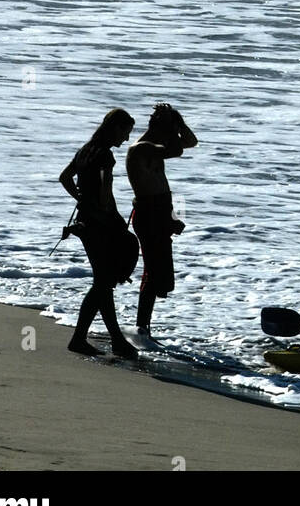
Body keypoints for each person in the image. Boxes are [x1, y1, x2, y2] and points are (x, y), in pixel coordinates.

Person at [59, 108, 139, 358]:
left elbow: (65, 178)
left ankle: (112, 339)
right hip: (101, 225)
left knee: (103, 283)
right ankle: (84, 339)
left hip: (85, 222)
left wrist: (82, 200)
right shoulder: (105, 157)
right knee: (103, 283)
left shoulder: (85, 150)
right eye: (125, 132)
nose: (126, 139)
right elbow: (105, 194)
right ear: (115, 128)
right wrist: (107, 212)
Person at [126, 103, 198, 337]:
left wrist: (178, 121)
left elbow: (190, 142)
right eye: (170, 131)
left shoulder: (155, 145)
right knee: (153, 273)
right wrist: (172, 124)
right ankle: (141, 327)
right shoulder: (141, 148)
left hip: (161, 210)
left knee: (163, 277)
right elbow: (178, 149)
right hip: (148, 213)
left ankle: (144, 326)